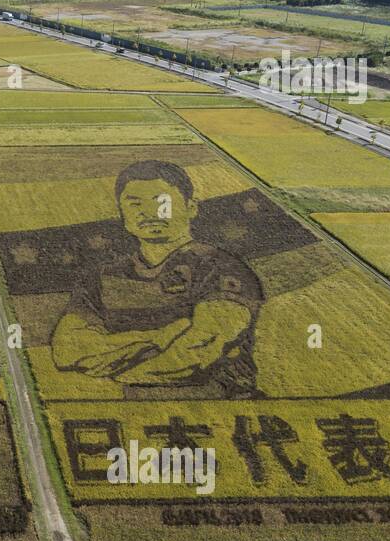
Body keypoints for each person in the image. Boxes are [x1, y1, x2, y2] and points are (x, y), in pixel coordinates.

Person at [51, 160, 262, 398]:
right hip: (131, 413)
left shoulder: (222, 268)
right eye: (134, 204)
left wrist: (119, 370)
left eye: (161, 201)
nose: (148, 212)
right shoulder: (102, 276)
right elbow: (66, 350)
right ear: (122, 215)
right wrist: (162, 337)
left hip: (225, 409)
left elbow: (197, 351)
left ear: (191, 207)